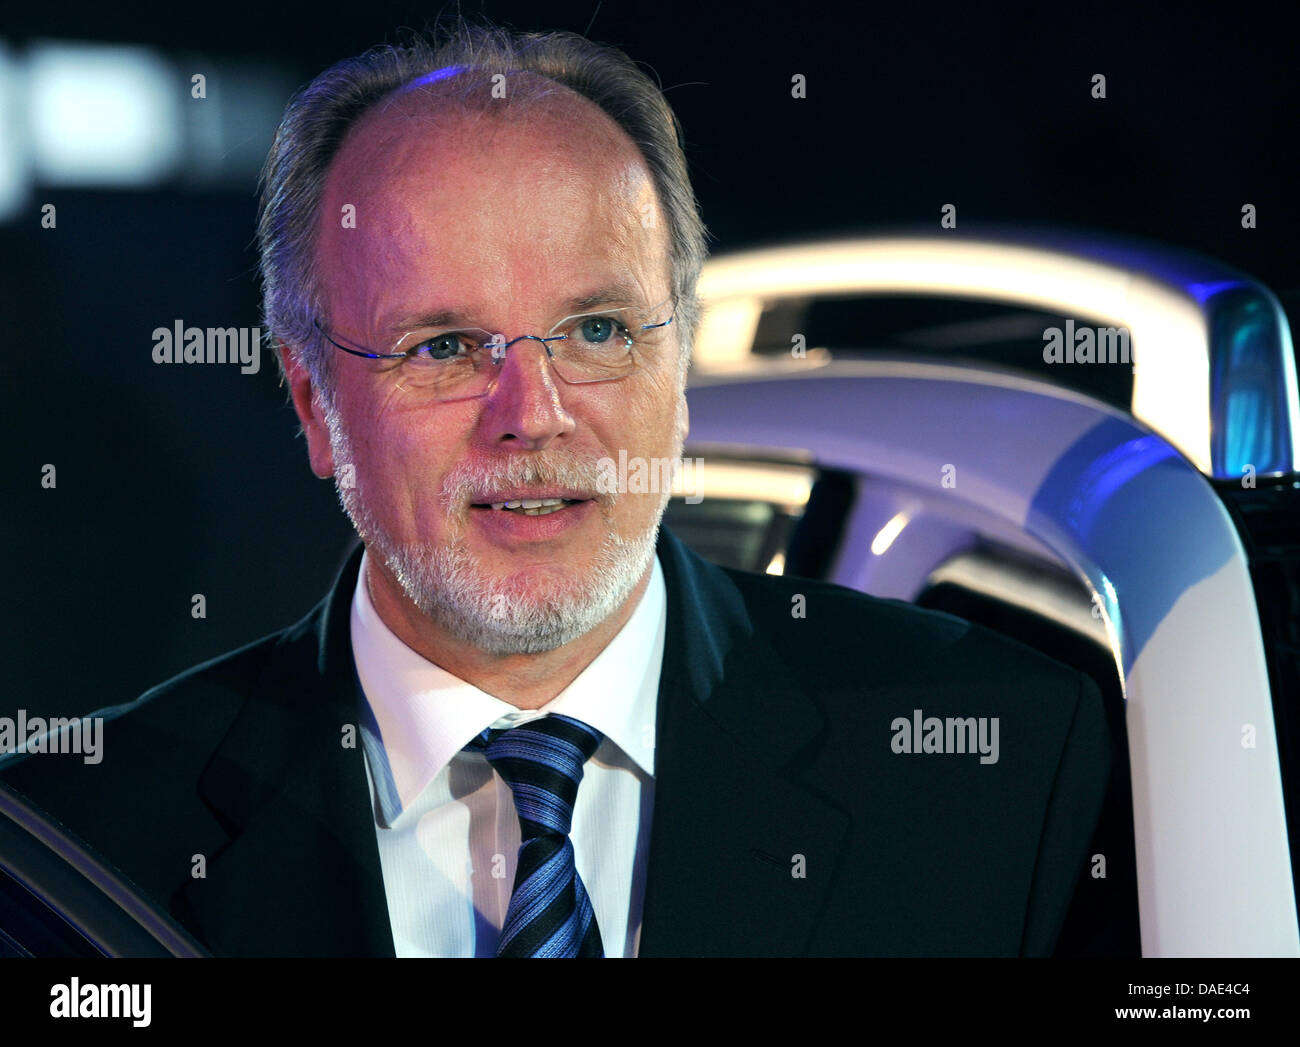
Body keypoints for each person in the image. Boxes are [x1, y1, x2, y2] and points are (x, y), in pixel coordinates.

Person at [0, 21, 1122, 957]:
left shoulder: (1013, 764)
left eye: (596, 329)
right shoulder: (61, 845)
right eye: (442, 346)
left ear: (679, 368)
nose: (530, 411)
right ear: (310, 403)